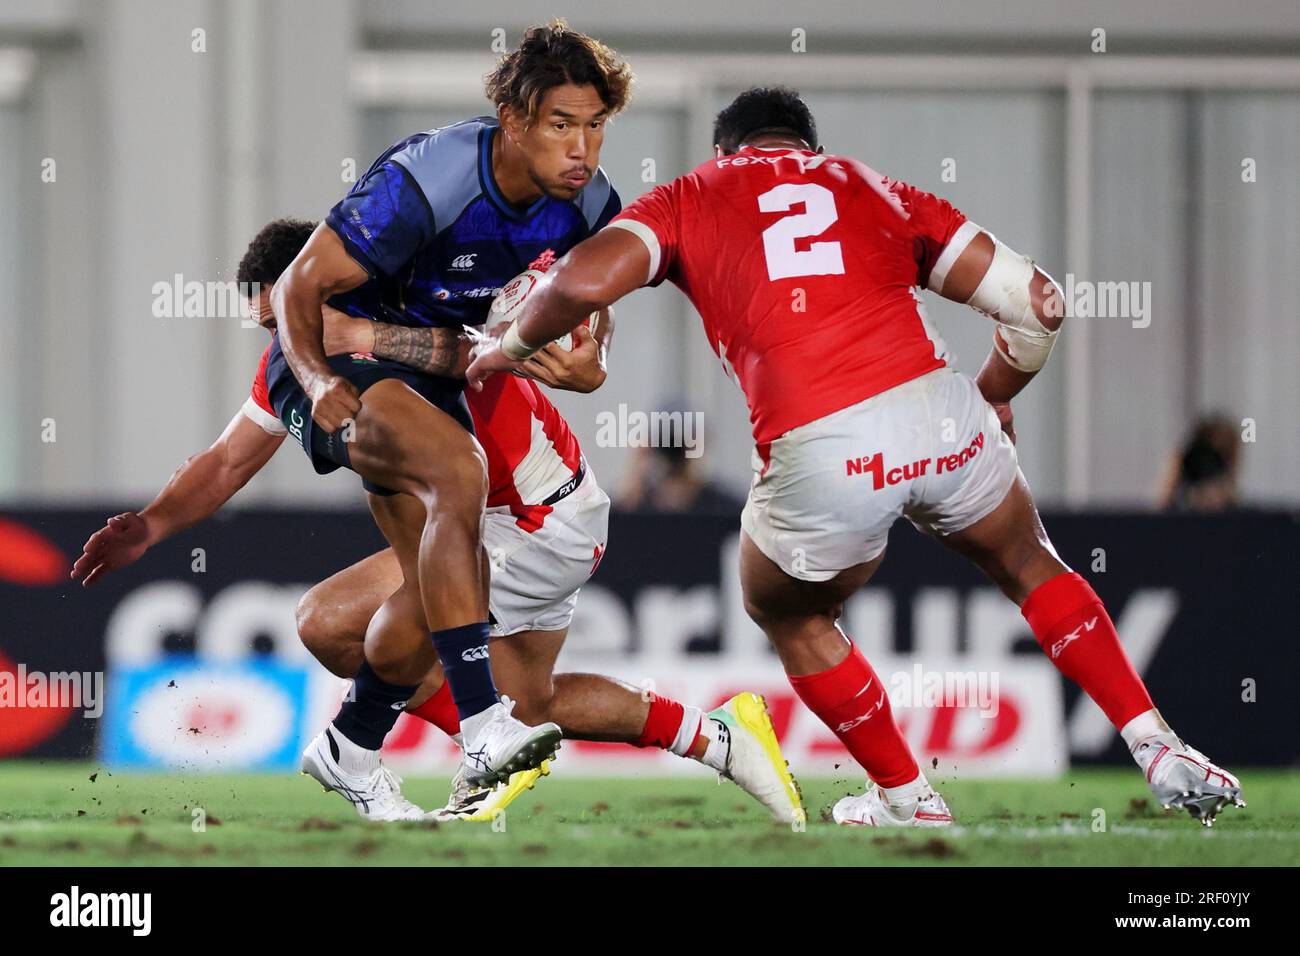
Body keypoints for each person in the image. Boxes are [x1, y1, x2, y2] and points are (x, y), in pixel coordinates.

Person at [468, 86, 1246, 828]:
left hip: (822, 444)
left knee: (787, 607)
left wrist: (507, 348)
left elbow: (581, 282)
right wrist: (996, 393)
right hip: (939, 412)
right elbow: (1040, 302)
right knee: (1031, 565)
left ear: (723, 150)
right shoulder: (871, 186)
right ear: (812, 149)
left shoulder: (690, 194)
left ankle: (909, 797)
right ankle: (1160, 748)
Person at [75, 217, 803, 825]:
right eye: (271, 330)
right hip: (502, 519)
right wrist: (149, 525)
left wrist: (583, 344)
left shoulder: (418, 304)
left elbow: (539, 338)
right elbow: (225, 462)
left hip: (537, 518)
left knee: (331, 622)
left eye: (289, 319)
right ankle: (717, 738)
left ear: (319, 287)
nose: (285, 343)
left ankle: (375, 746)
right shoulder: (294, 360)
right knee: (534, 700)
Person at [266, 22, 633, 807]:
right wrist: (310, 374)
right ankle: (481, 723)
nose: (582, 148)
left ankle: (350, 747)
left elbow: (593, 320)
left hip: (428, 376)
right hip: (336, 358)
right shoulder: (431, 179)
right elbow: (298, 285)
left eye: (595, 126)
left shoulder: (594, 207)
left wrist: (591, 361)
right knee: (459, 474)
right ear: (514, 121)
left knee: (432, 585)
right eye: (561, 125)